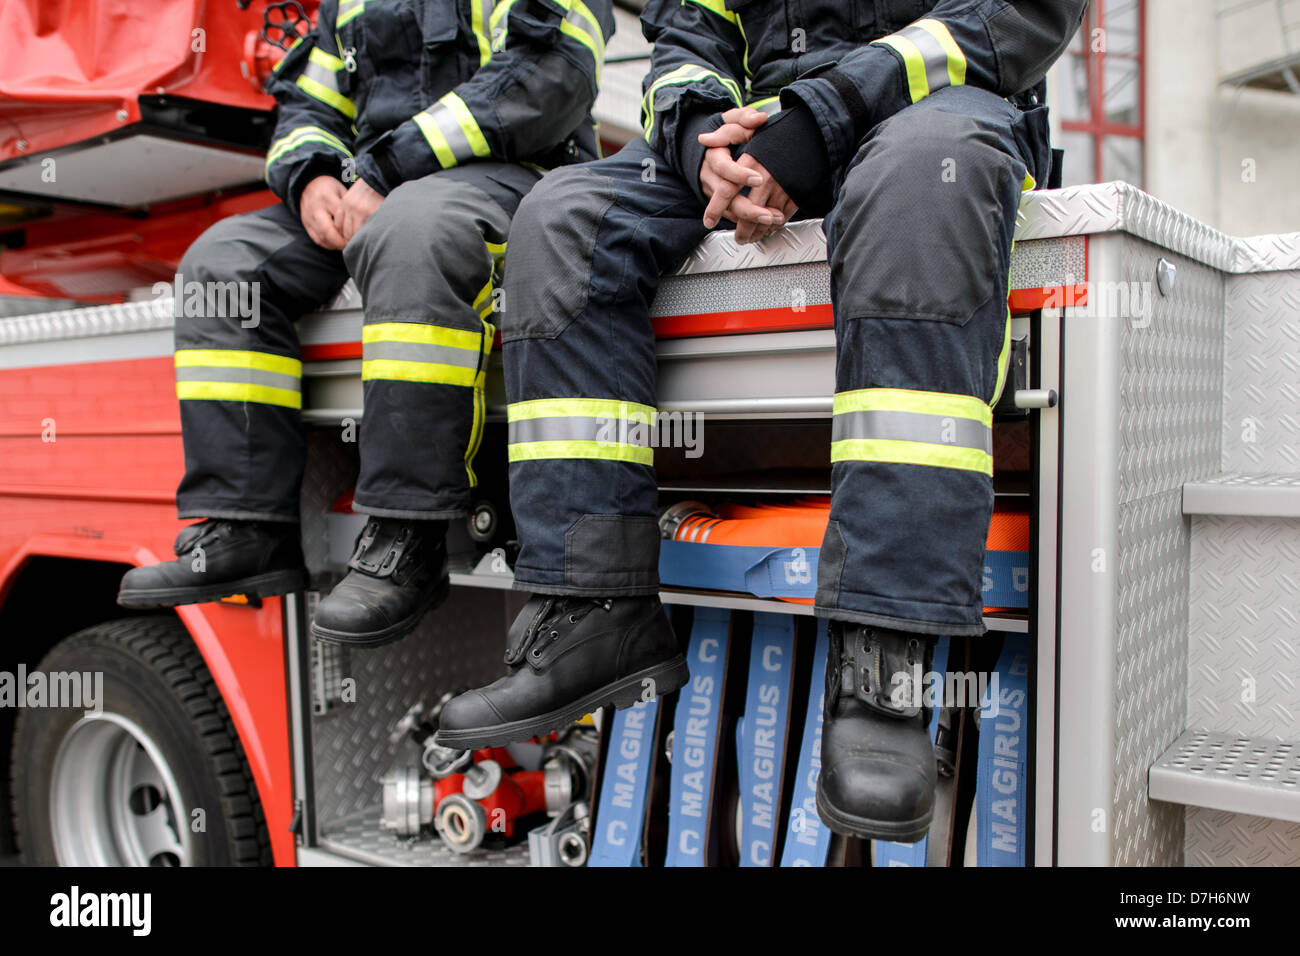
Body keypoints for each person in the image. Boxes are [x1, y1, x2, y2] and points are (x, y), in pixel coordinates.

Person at [435, 0, 1086, 842]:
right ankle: (593, 608)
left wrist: (822, 120)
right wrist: (706, 140)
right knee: (561, 219)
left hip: (927, 110)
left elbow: (1019, 14)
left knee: (923, 181)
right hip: (754, 127)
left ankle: (888, 656)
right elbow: (688, 33)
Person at [118, 0, 613, 649]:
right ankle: (247, 527)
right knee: (220, 264)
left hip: (517, 173)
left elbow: (550, 74)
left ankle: (409, 536)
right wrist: (313, 177)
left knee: (414, 232)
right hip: (373, 191)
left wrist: (390, 166)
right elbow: (308, 109)